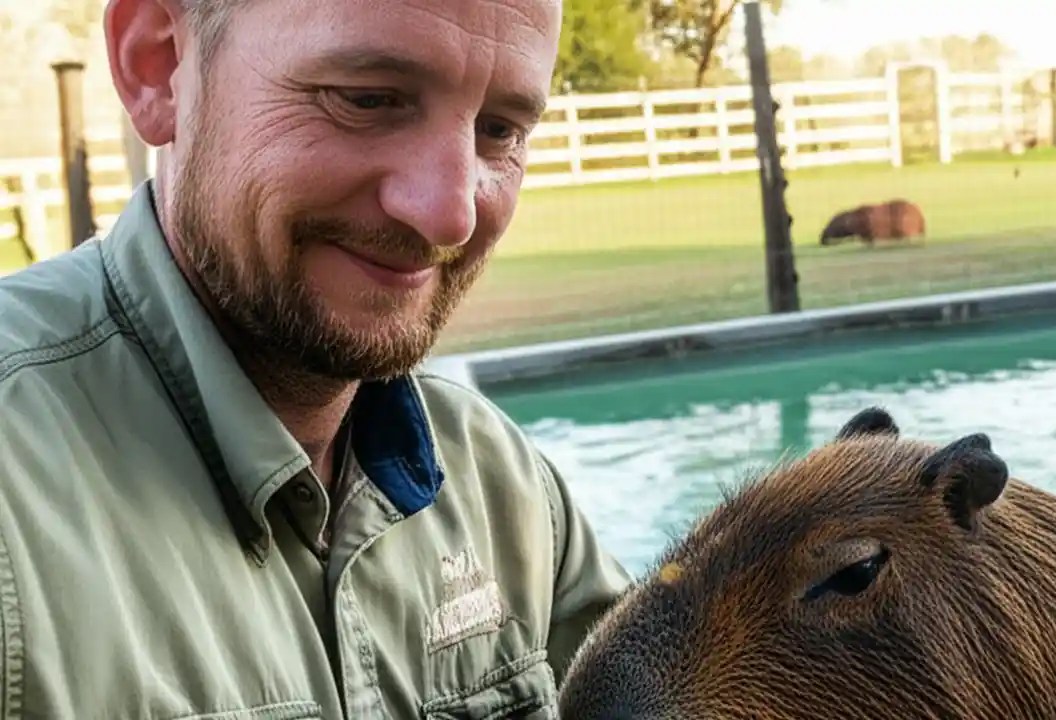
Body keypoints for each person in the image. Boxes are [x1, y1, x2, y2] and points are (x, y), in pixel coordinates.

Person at [0, 0, 632, 717]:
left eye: (500, 131)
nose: (450, 213)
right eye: (367, 100)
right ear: (158, 68)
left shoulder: (502, 490)